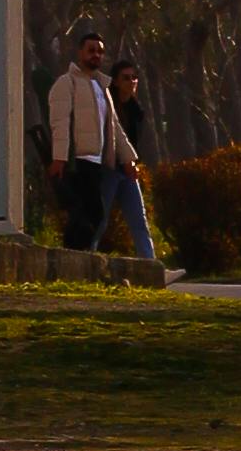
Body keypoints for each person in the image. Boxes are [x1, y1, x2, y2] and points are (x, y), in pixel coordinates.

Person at [46, 23, 138, 256]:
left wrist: (128, 159)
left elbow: (114, 127)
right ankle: (73, 258)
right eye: (91, 50)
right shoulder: (67, 84)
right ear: (80, 53)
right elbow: (60, 123)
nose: (96, 55)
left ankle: (72, 258)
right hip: (76, 162)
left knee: (92, 214)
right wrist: (59, 158)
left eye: (99, 51)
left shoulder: (102, 86)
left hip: (97, 161)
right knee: (88, 213)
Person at [102, 61, 162, 269]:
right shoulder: (107, 106)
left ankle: (151, 267)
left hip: (127, 171)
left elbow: (134, 142)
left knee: (139, 220)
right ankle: (84, 261)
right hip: (109, 169)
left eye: (134, 77)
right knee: (100, 220)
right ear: (116, 82)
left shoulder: (136, 110)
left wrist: (133, 163)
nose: (131, 82)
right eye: (126, 78)